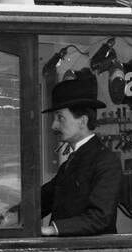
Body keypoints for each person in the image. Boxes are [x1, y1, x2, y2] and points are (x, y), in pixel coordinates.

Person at [38, 68, 122, 236]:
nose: (54, 126)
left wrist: (53, 229)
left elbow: (100, 217)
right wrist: (10, 215)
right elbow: (43, 200)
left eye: (60, 117)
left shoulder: (106, 161)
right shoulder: (69, 164)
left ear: (83, 121)